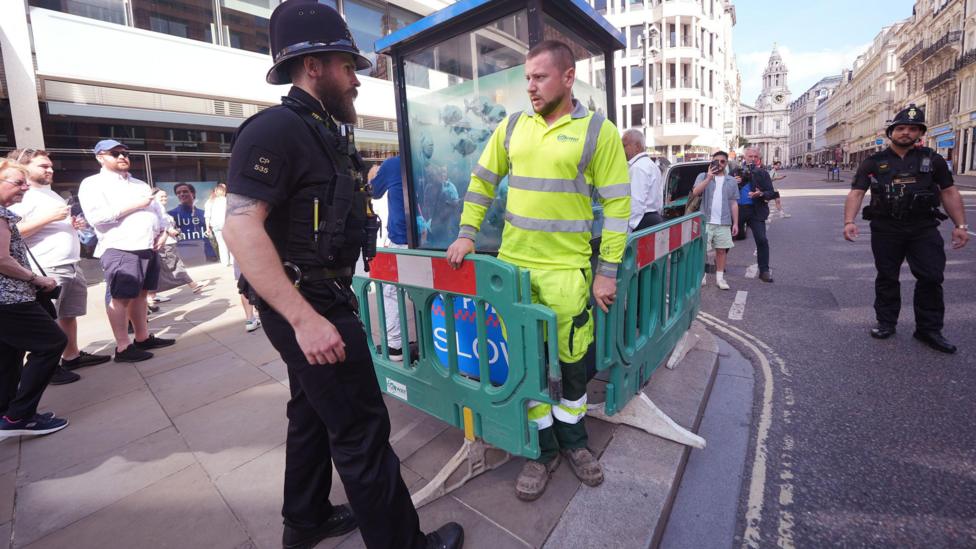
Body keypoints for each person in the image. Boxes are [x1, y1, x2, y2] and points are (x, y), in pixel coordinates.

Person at [221, 3, 462, 548]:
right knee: (362, 431)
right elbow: (241, 228)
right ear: (313, 65)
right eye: (348, 67)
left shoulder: (317, 130)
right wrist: (305, 320)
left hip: (321, 296)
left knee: (310, 413)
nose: (356, 80)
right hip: (311, 306)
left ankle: (303, 521)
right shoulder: (276, 129)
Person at [447, 39, 630, 501]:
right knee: (526, 368)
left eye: (540, 77)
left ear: (568, 78)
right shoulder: (511, 128)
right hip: (514, 275)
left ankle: (574, 443)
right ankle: (542, 451)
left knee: (572, 370)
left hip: (568, 274)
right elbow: (482, 181)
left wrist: (606, 270)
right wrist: (468, 232)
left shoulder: (597, 131)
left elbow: (617, 206)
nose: (529, 86)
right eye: (526, 77)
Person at [843, 104, 969, 353]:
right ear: (891, 132)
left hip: (923, 228)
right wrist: (849, 221)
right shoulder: (873, 161)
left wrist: (960, 225)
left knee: (932, 277)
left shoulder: (932, 160)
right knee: (887, 276)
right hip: (886, 227)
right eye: (901, 128)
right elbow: (857, 192)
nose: (906, 133)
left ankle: (929, 329)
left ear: (920, 133)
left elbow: (949, 192)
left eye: (913, 129)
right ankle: (886, 323)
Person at [7, 149, 111, 383]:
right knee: (47, 321)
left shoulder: (49, 194)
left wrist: (70, 224)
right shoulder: (23, 196)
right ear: (24, 167)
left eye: (50, 166)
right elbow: (13, 233)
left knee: (68, 314)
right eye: (43, 166)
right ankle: (48, 368)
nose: (50, 170)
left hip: (71, 264)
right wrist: (50, 219)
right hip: (46, 267)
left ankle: (71, 356)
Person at [78, 140, 176, 362]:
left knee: (141, 294)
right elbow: (97, 217)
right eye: (115, 153)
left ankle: (142, 337)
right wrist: (136, 205)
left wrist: (162, 233)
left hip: (148, 246)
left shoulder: (139, 184)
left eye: (125, 153)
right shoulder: (93, 184)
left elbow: (159, 212)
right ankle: (123, 346)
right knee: (120, 297)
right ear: (100, 157)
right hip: (121, 246)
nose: (122, 156)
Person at [0, 159, 70, 438]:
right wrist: (35, 279)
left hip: (7, 300)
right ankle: (19, 417)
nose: (25, 187)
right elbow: (2, 260)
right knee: (53, 343)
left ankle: (7, 412)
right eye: (18, 182)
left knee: (8, 354)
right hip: (10, 299)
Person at [370, 155, 409, 360]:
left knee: (391, 292)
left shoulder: (393, 163)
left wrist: (372, 176)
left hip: (401, 240)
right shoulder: (432, 163)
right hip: (432, 240)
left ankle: (395, 347)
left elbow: (373, 191)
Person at [692, 151, 739, 290]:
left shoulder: (731, 181)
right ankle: (701, 276)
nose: (719, 164)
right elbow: (696, 192)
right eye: (716, 161)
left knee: (721, 251)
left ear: (726, 163)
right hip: (705, 220)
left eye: (723, 161)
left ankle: (720, 279)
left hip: (723, 222)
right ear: (711, 162)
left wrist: (735, 222)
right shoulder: (702, 176)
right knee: (702, 251)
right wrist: (708, 178)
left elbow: (734, 203)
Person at [148, 188, 203, 303]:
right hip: (165, 244)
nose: (164, 198)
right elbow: (159, 226)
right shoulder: (155, 209)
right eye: (161, 196)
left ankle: (151, 295)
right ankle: (193, 285)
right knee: (175, 266)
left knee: (165, 268)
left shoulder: (159, 209)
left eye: (165, 196)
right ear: (154, 197)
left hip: (168, 243)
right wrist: (169, 231)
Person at [733, 148, 776, 283]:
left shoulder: (763, 173)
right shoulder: (735, 172)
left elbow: (771, 192)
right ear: (744, 157)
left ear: (759, 158)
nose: (752, 158)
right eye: (750, 156)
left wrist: (761, 194)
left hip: (756, 210)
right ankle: (720, 263)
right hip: (737, 210)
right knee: (728, 238)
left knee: (762, 239)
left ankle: (764, 271)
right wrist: (733, 182)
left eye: (755, 156)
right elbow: (725, 190)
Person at [622, 128, 663, 231]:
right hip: (654, 220)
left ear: (637, 146)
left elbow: (636, 203)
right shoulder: (652, 166)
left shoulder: (637, 167)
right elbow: (659, 200)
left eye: (624, 146)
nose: (622, 150)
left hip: (642, 223)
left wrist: (629, 231)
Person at [169, 182, 216, 259]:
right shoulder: (171, 215)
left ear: (193, 194)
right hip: (184, 257)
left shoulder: (204, 214)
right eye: (178, 193)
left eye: (185, 191)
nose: (181, 194)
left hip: (207, 255)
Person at [205, 183, 232, 266]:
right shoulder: (228, 200)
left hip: (216, 225)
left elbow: (207, 216)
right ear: (224, 192)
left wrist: (207, 228)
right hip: (228, 224)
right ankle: (233, 261)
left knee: (221, 244)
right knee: (231, 243)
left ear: (216, 192)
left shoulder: (209, 202)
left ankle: (225, 262)